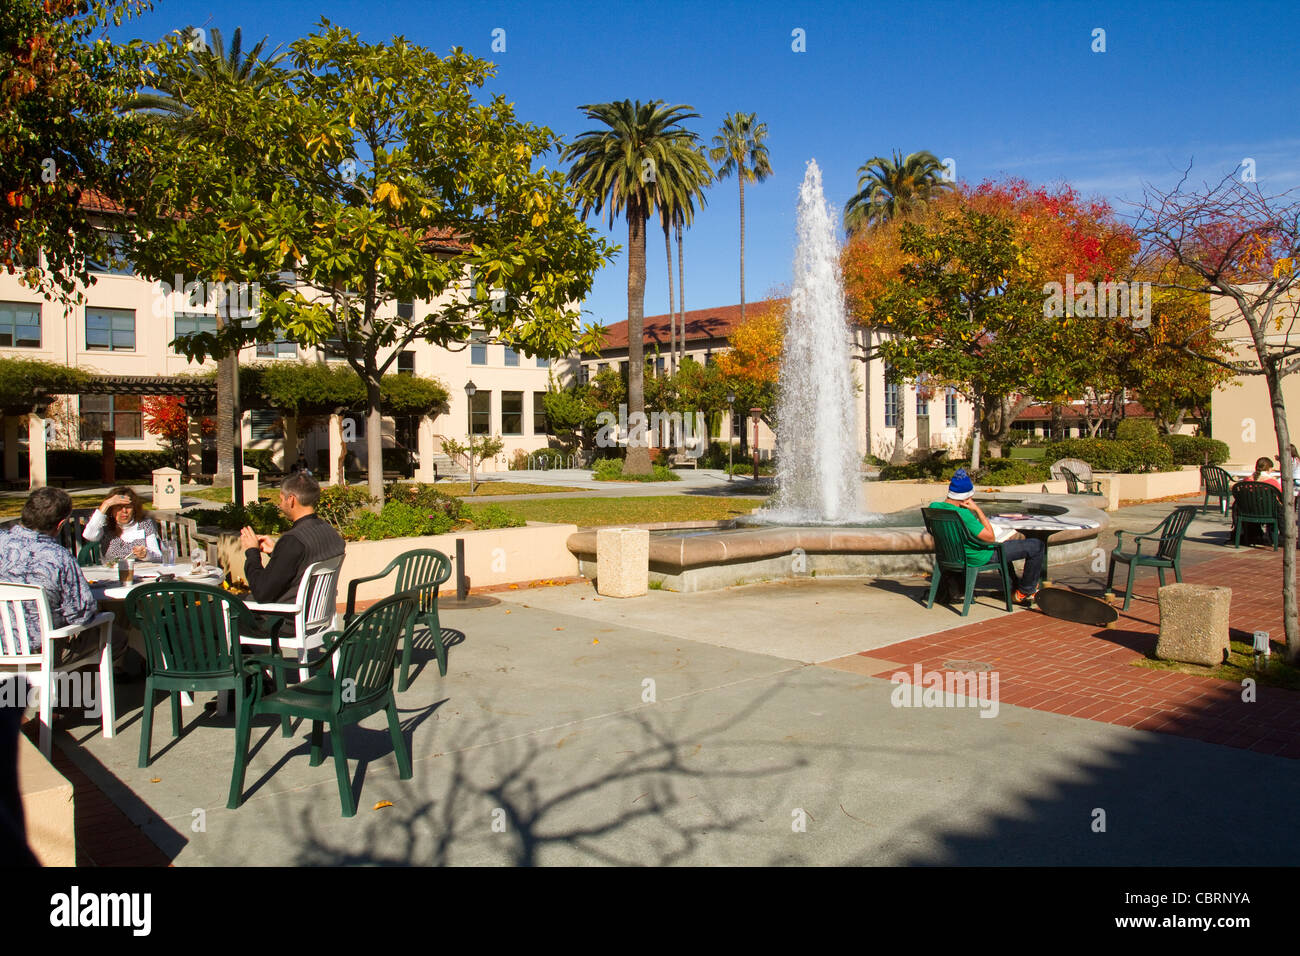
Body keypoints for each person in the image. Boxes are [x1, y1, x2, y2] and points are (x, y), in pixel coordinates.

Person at [0, 487, 98, 655]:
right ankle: (72, 681)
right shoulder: (60, 557)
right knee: (115, 636)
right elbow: (81, 614)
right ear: (60, 524)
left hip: (2, 647)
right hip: (44, 651)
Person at [929, 468, 1046, 604]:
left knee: (1004, 547)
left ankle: (1012, 589)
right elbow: (990, 538)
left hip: (952, 557)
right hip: (979, 556)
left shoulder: (934, 507)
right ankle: (1026, 590)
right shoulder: (964, 515)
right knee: (1036, 546)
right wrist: (978, 510)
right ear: (966, 497)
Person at [239, 471, 344, 605]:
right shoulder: (329, 532)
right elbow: (303, 562)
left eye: (281, 499)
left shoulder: (294, 540)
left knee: (214, 610)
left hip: (286, 619)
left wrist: (252, 552)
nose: (280, 505)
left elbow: (262, 592)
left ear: (291, 499)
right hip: (315, 614)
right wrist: (276, 551)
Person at [82, 487, 162, 564]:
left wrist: (146, 554)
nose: (124, 511)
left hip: (142, 572)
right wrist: (106, 504)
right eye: (118, 507)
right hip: (113, 574)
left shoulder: (144, 524)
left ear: (134, 509)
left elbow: (159, 556)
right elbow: (89, 535)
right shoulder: (105, 526)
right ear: (111, 509)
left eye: (128, 507)